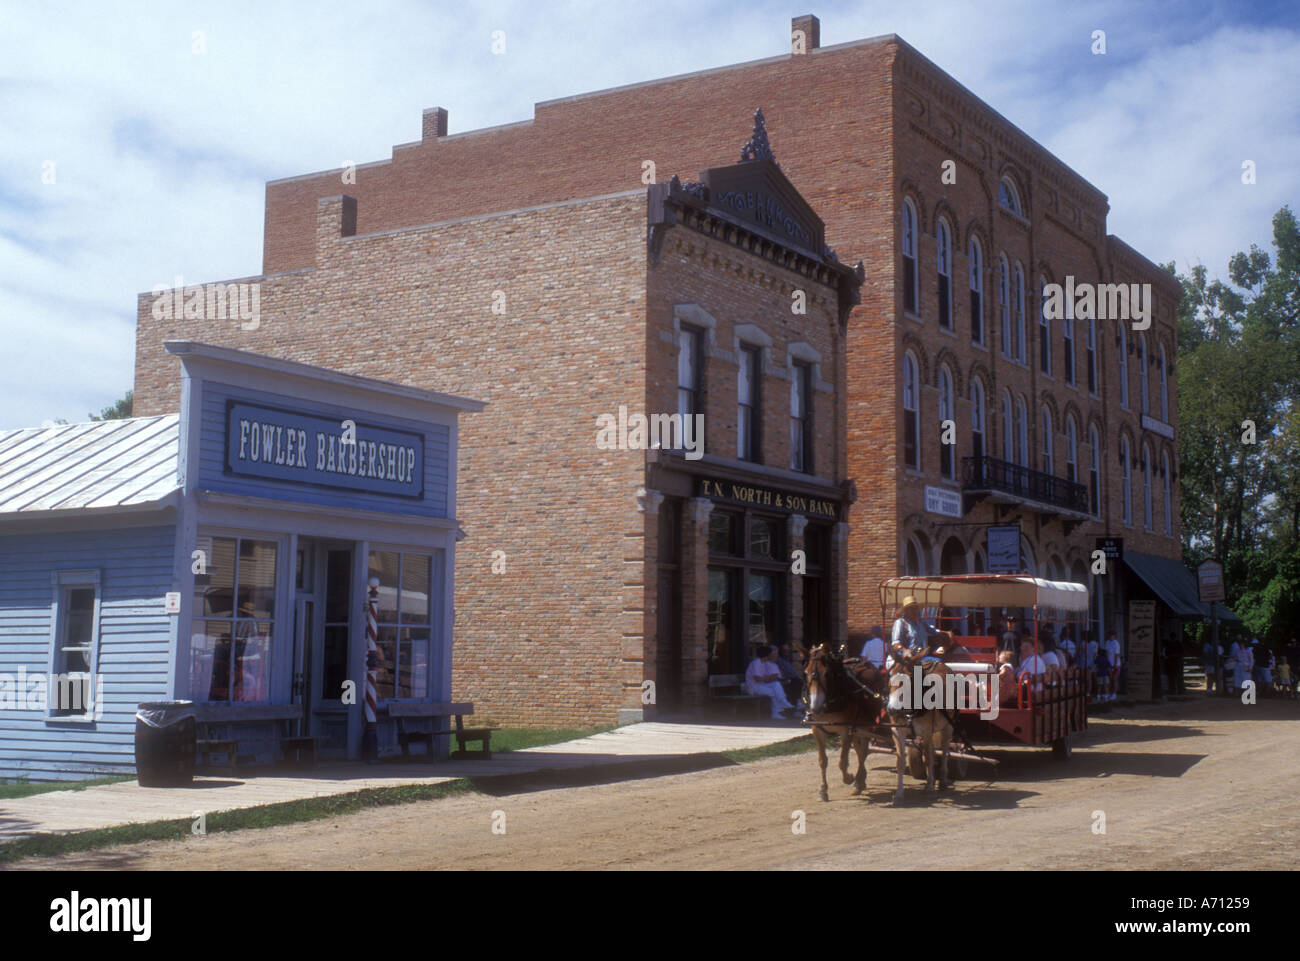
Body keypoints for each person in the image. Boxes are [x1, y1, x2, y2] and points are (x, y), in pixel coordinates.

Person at [745, 645, 796, 719]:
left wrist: (767, 678)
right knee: (773, 692)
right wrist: (767, 678)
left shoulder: (762, 663)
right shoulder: (756, 663)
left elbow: (765, 678)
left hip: (761, 685)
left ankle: (783, 702)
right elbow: (758, 679)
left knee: (776, 684)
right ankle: (776, 711)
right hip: (753, 687)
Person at [775, 643, 805, 710]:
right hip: (784, 679)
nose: (786, 652)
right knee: (796, 682)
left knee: (799, 681)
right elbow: (781, 672)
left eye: (787, 650)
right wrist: (786, 678)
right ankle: (796, 704)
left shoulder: (787, 660)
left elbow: (792, 672)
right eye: (784, 650)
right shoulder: (779, 661)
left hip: (791, 678)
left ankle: (797, 703)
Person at [1104, 630, 1122, 700]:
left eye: (1112, 636)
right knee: (1109, 679)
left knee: (1115, 679)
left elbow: (1116, 654)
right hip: (1109, 664)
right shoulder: (1107, 642)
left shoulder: (1116, 643)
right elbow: (1106, 653)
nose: (1110, 637)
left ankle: (1114, 694)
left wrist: (1114, 664)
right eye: (1109, 635)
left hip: (1116, 664)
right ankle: (1109, 693)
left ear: (1114, 636)